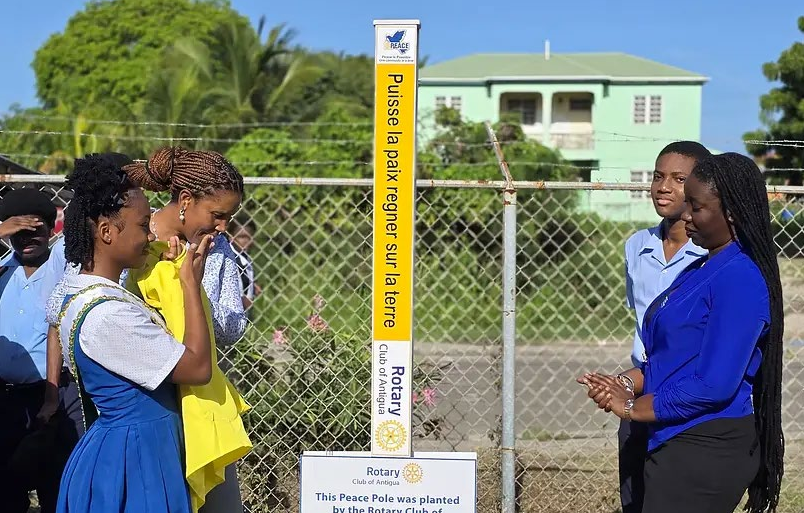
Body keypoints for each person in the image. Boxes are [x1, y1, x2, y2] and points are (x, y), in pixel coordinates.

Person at [580, 152, 785, 513]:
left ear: (732, 213)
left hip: (705, 445)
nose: (686, 215)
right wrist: (628, 383)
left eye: (697, 206)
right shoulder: (704, 267)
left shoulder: (738, 276)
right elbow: (673, 359)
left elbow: (713, 383)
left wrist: (633, 408)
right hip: (673, 435)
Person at [54, 153, 215, 512]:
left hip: (137, 446)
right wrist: (190, 284)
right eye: (144, 226)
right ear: (107, 232)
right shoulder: (108, 314)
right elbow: (198, 369)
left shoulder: (93, 295)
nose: (151, 235)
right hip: (133, 460)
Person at [122, 146, 249, 513]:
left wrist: (191, 281)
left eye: (229, 217)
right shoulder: (134, 238)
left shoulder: (217, 248)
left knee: (219, 503)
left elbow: (229, 329)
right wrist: (153, 272)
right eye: (218, 215)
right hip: (147, 395)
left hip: (200, 397)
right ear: (185, 200)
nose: (223, 226)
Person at [617, 141, 711, 512]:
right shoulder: (637, 246)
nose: (663, 187)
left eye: (678, 178)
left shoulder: (713, 255)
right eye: (658, 176)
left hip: (689, 391)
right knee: (634, 498)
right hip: (640, 389)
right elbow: (640, 318)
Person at [0, 188, 83, 513]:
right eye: (19, 234)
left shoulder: (62, 267)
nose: (27, 239)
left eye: (36, 230)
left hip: (53, 395)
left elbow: (75, 228)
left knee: (57, 486)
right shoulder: (4, 272)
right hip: (6, 400)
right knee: (7, 490)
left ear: (51, 231)